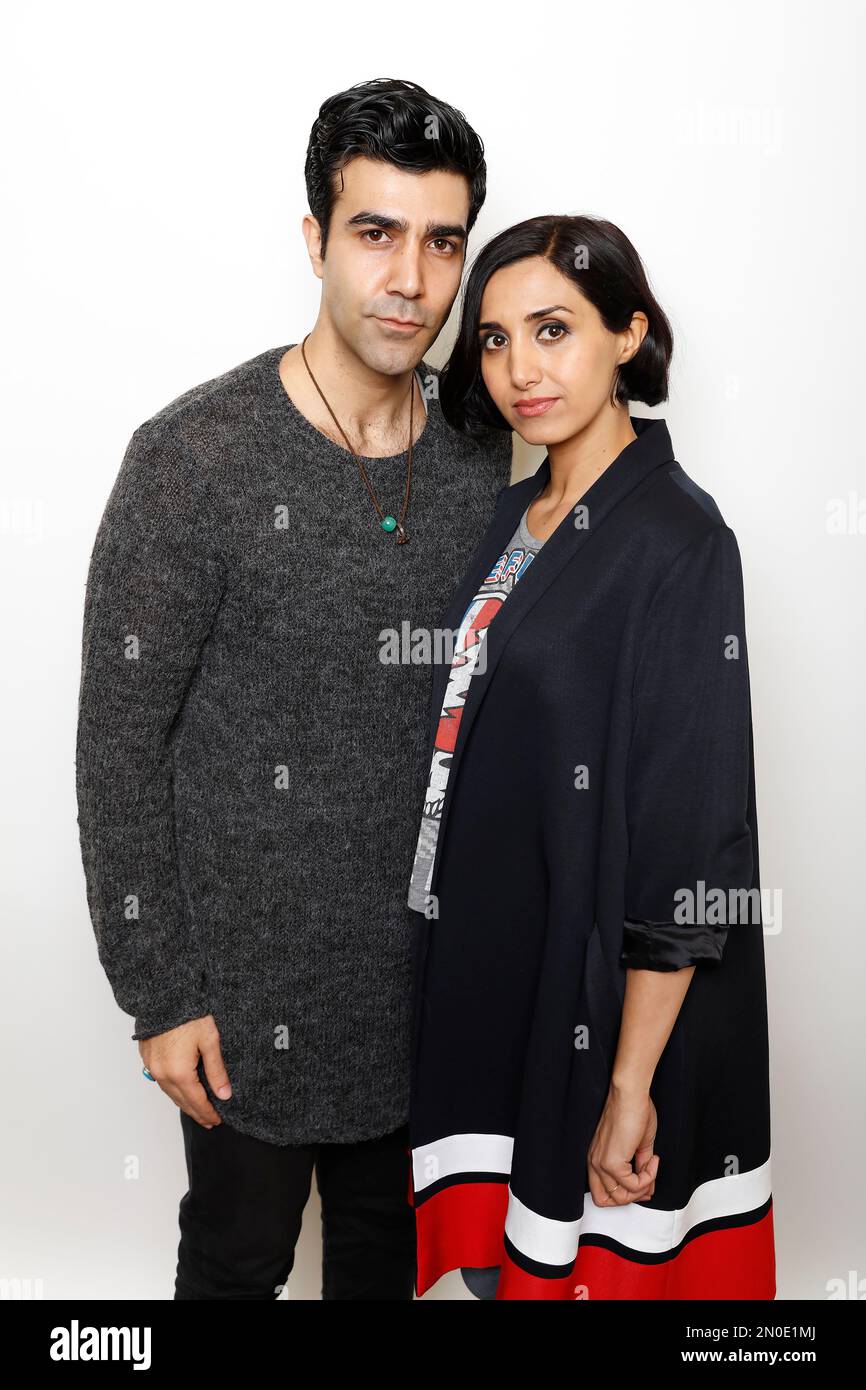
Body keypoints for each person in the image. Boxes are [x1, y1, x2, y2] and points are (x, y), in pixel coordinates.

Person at [74, 78, 512, 1301]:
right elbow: (117, 746)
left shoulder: (485, 455)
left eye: (440, 242)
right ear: (315, 240)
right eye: (374, 233)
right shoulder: (194, 459)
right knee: (235, 1268)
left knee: (384, 1272)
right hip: (241, 999)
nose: (410, 281)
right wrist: (157, 992)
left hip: (419, 998)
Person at [406, 214, 776, 1300]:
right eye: (492, 339)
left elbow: (690, 833)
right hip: (496, 986)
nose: (520, 369)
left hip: (598, 1016)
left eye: (553, 330)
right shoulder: (515, 513)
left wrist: (627, 1080)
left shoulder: (678, 540)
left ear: (627, 333)